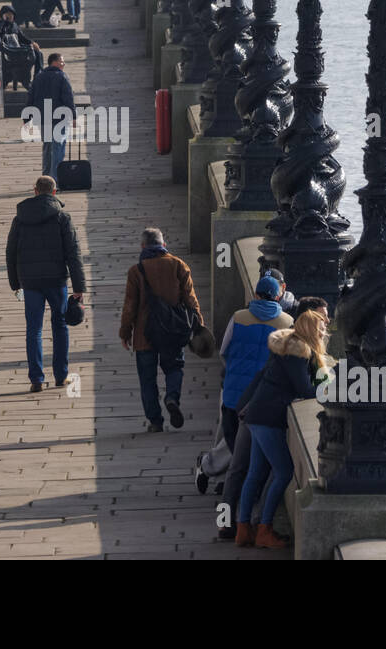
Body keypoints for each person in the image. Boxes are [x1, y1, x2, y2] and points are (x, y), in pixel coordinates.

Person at [219, 296, 326, 539]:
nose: (324, 331)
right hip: (263, 415)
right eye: (322, 325)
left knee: (244, 471)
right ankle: (261, 527)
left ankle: (237, 527)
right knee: (281, 471)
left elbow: (224, 351)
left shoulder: (274, 337)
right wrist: (327, 385)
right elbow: (304, 389)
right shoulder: (296, 348)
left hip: (243, 402)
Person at [118, 228, 204, 432]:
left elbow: (130, 306)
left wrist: (125, 332)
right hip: (172, 331)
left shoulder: (136, 271)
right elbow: (191, 300)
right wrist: (199, 325)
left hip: (144, 334)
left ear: (143, 247)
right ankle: (172, 397)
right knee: (174, 367)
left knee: (147, 379)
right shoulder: (178, 265)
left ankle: (155, 421)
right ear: (163, 245)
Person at [5, 176, 86, 392]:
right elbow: (73, 253)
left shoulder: (20, 218)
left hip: (30, 282)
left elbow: (10, 252)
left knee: (34, 330)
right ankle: (61, 376)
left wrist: (15, 283)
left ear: (35, 191)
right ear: (54, 192)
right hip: (56, 279)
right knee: (60, 325)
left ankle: (36, 379)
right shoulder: (62, 217)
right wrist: (79, 286)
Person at [218, 275, 293, 454]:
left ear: (256, 295)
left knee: (233, 442)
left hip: (234, 392)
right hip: (263, 397)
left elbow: (223, 350)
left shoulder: (238, 317)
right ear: (277, 297)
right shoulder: (287, 322)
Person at [26, 52, 74, 176]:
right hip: (59, 118)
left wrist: (27, 118)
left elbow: (30, 97)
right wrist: (73, 116)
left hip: (43, 118)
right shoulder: (62, 77)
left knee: (47, 148)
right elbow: (68, 98)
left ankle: (46, 177)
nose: (63, 64)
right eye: (62, 62)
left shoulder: (39, 77)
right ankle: (55, 179)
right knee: (58, 147)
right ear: (55, 62)